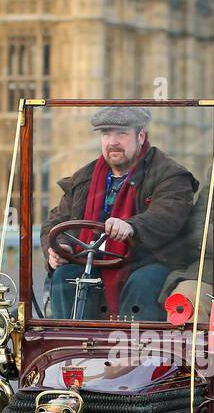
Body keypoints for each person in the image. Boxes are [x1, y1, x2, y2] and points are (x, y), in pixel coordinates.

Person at [43, 107, 198, 321]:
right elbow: (57, 220)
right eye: (106, 134)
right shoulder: (84, 178)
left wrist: (132, 226)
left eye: (121, 134)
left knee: (142, 282)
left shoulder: (170, 175)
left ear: (141, 136)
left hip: (149, 260)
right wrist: (59, 247)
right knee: (65, 277)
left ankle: (137, 349)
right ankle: (71, 347)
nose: (112, 142)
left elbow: (168, 216)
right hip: (92, 259)